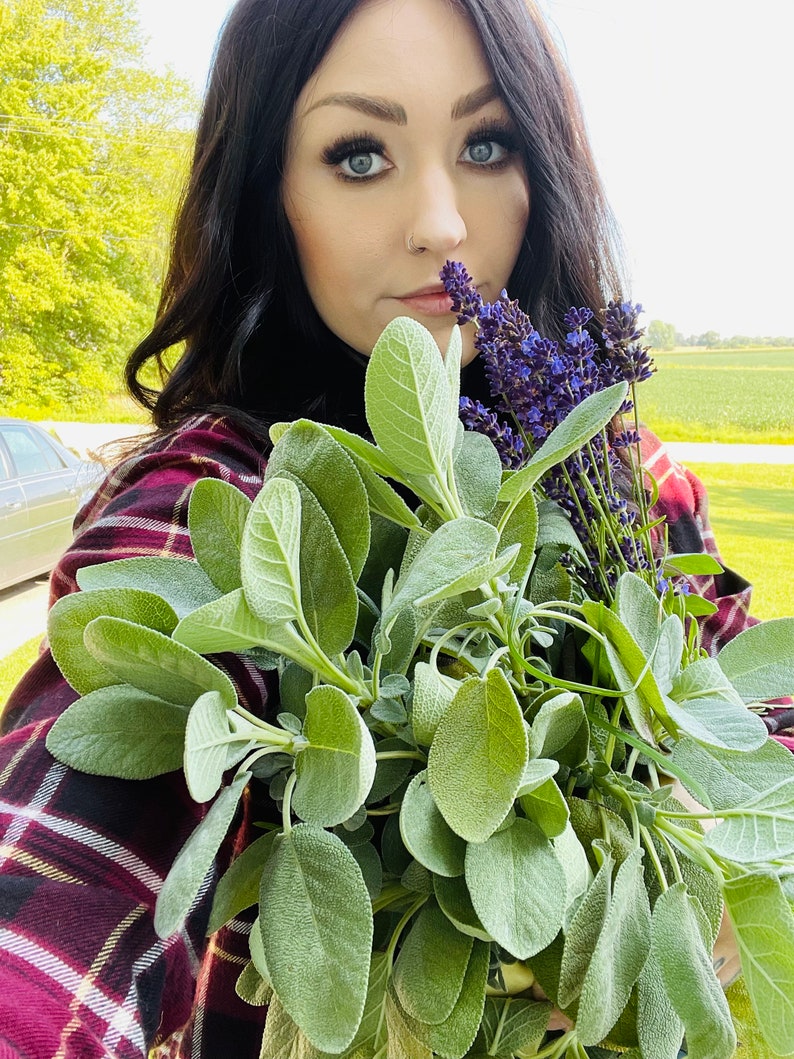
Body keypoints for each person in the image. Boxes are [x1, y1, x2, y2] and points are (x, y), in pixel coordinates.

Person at [0, 0, 769, 1054]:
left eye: (485, 143)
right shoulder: (227, 501)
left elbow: (754, 712)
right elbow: (57, 882)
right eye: (358, 154)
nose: (441, 226)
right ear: (267, 196)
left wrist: (704, 841)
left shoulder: (629, 489)